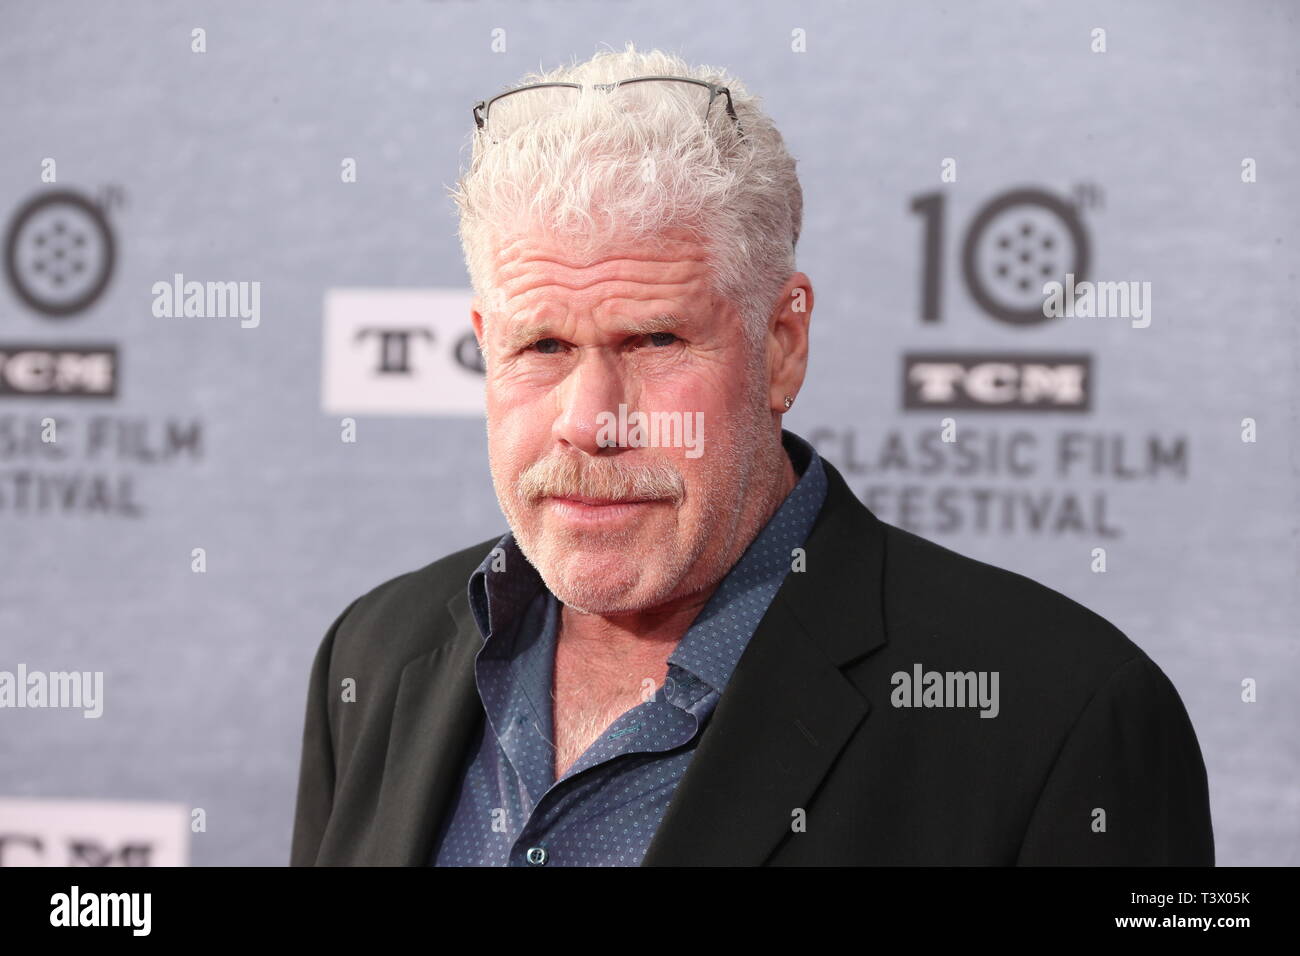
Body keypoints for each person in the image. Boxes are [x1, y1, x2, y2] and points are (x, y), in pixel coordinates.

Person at [290, 43, 1213, 866]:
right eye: (543, 348)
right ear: (486, 344)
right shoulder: (376, 654)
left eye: (654, 341)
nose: (591, 420)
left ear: (783, 346)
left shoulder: (1061, 718)